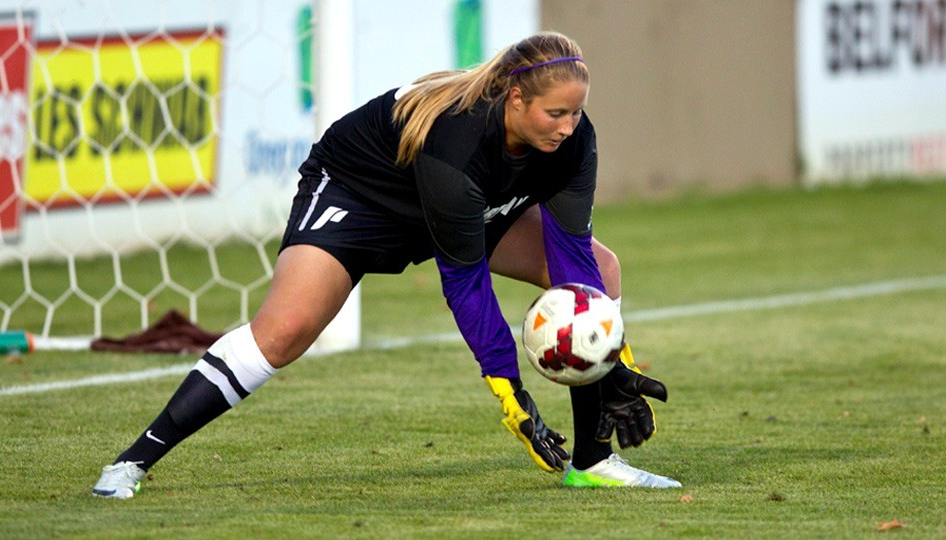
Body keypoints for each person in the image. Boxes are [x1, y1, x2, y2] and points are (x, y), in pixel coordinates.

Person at [92, 31, 680, 499]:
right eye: (556, 113)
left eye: (576, 113)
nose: (569, 127)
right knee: (285, 331)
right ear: (516, 99)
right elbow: (465, 283)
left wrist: (614, 366)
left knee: (601, 270)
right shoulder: (457, 141)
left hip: (462, 205)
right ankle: (131, 463)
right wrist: (511, 391)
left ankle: (592, 462)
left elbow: (574, 259)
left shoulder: (572, 143)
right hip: (362, 195)